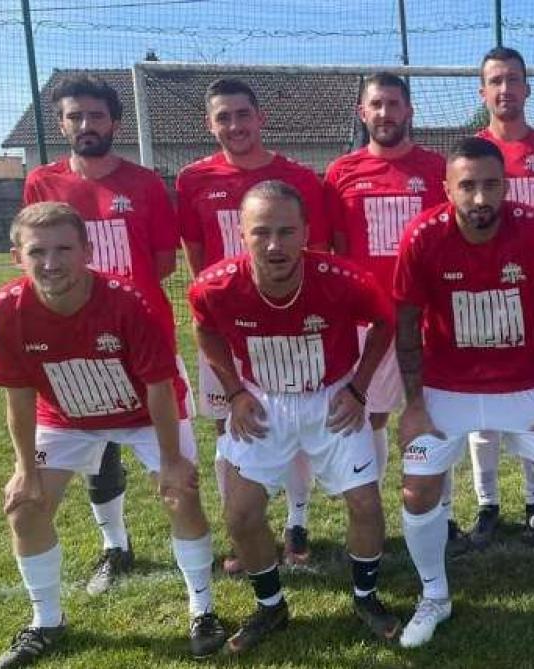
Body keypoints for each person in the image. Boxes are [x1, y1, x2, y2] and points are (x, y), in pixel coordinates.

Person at [0, 202, 224, 668]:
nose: (51, 263)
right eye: (37, 252)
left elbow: (158, 385)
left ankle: (203, 610)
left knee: (182, 495)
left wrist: (172, 461)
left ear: (87, 252)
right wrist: (24, 469)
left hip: (143, 413)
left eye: (64, 249)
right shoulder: (4, 310)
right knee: (25, 506)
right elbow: (17, 396)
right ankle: (46, 621)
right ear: (18, 257)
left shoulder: (127, 302)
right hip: (65, 416)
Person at [189, 180, 399, 652]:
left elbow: (386, 323)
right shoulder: (214, 287)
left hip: (332, 400)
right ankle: (271, 607)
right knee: (241, 514)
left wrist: (360, 389)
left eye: (286, 231)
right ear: (240, 233)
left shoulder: (345, 280)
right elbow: (205, 332)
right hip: (262, 402)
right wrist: (235, 391)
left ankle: (366, 598)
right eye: (261, 232)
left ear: (306, 231)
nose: (274, 245)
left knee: (366, 504)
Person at [394, 137, 534, 647]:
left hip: (522, 384)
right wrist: (414, 406)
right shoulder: (421, 236)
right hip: (445, 386)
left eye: (491, 185)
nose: (481, 198)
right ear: (447, 189)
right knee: (417, 491)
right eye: (468, 186)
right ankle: (434, 595)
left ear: (506, 185)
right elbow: (407, 325)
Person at [22, 74, 181, 595]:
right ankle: (116, 545)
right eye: (75, 116)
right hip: (73, 343)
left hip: (140, 338)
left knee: (168, 457)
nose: (85, 125)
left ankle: (194, 565)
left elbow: (160, 264)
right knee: (94, 445)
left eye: (95, 115)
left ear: (114, 121)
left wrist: (115, 306)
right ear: (62, 123)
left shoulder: (146, 183)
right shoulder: (42, 182)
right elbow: (38, 252)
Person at [176, 78, 327, 572]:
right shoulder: (193, 179)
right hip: (226, 327)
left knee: (300, 420)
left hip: (288, 328)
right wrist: (216, 313)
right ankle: (245, 532)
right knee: (231, 427)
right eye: (224, 117)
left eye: (243, 114)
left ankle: (297, 525)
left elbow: (317, 250)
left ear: (260, 118)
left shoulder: (299, 177)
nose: (235, 125)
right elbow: (195, 256)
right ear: (209, 124)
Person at [470, 46, 534, 542]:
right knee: (480, 408)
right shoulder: (468, 152)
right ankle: (488, 502)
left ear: (527, 88)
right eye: (496, 80)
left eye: (513, 79)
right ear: (483, 90)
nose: (505, 89)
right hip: (479, 297)